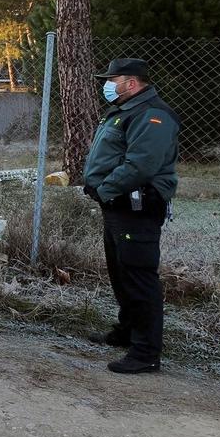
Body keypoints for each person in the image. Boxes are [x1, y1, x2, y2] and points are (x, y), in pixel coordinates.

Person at [82, 58, 179, 374]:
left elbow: (141, 165)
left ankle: (145, 353)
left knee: (138, 277)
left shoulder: (152, 116)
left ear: (133, 83)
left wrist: (105, 188)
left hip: (136, 207)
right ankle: (127, 332)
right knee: (121, 273)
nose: (107, 85)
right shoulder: (125, 111)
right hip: (118, 205)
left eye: (114, 79)